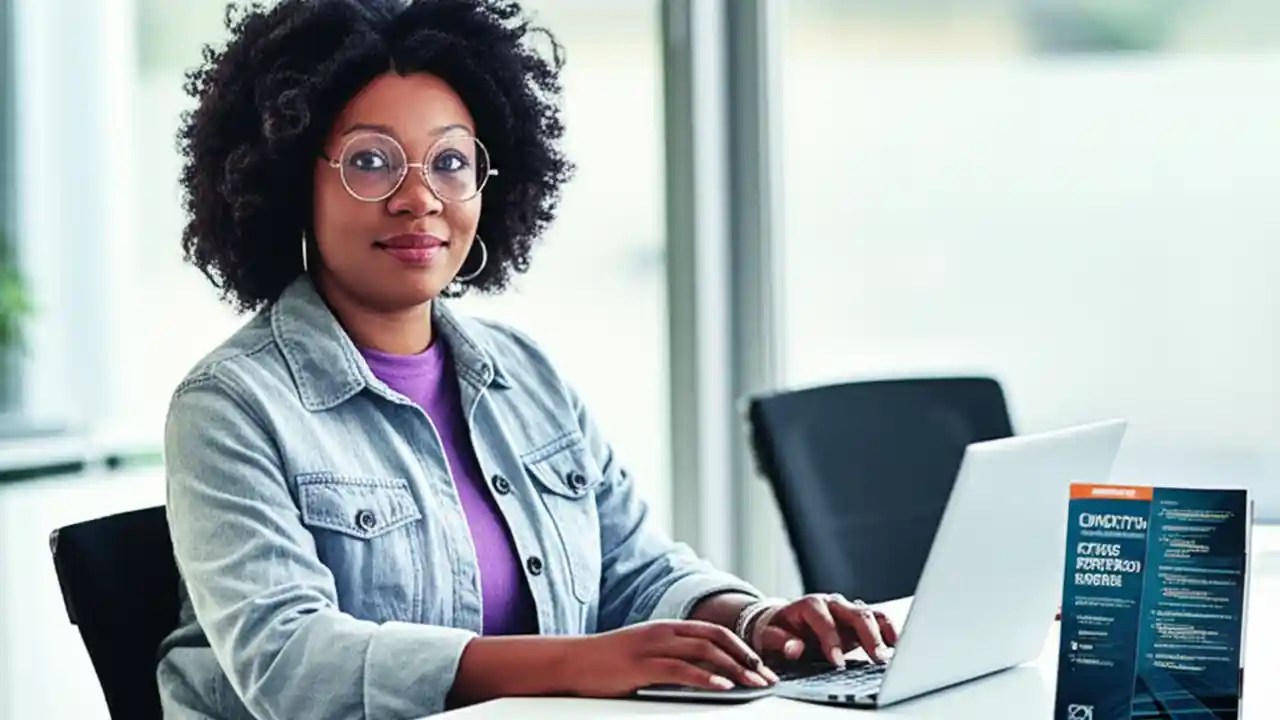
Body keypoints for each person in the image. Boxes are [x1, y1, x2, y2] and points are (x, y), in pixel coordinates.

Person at [158, 1, 896, 717]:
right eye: (371, 162)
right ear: (290, 183)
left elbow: (632, 567)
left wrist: (752, 622)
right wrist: (581, 664)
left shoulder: (524, 374)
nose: (420, 198)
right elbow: (290, 664)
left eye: (450, 161)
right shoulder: (230, 405)